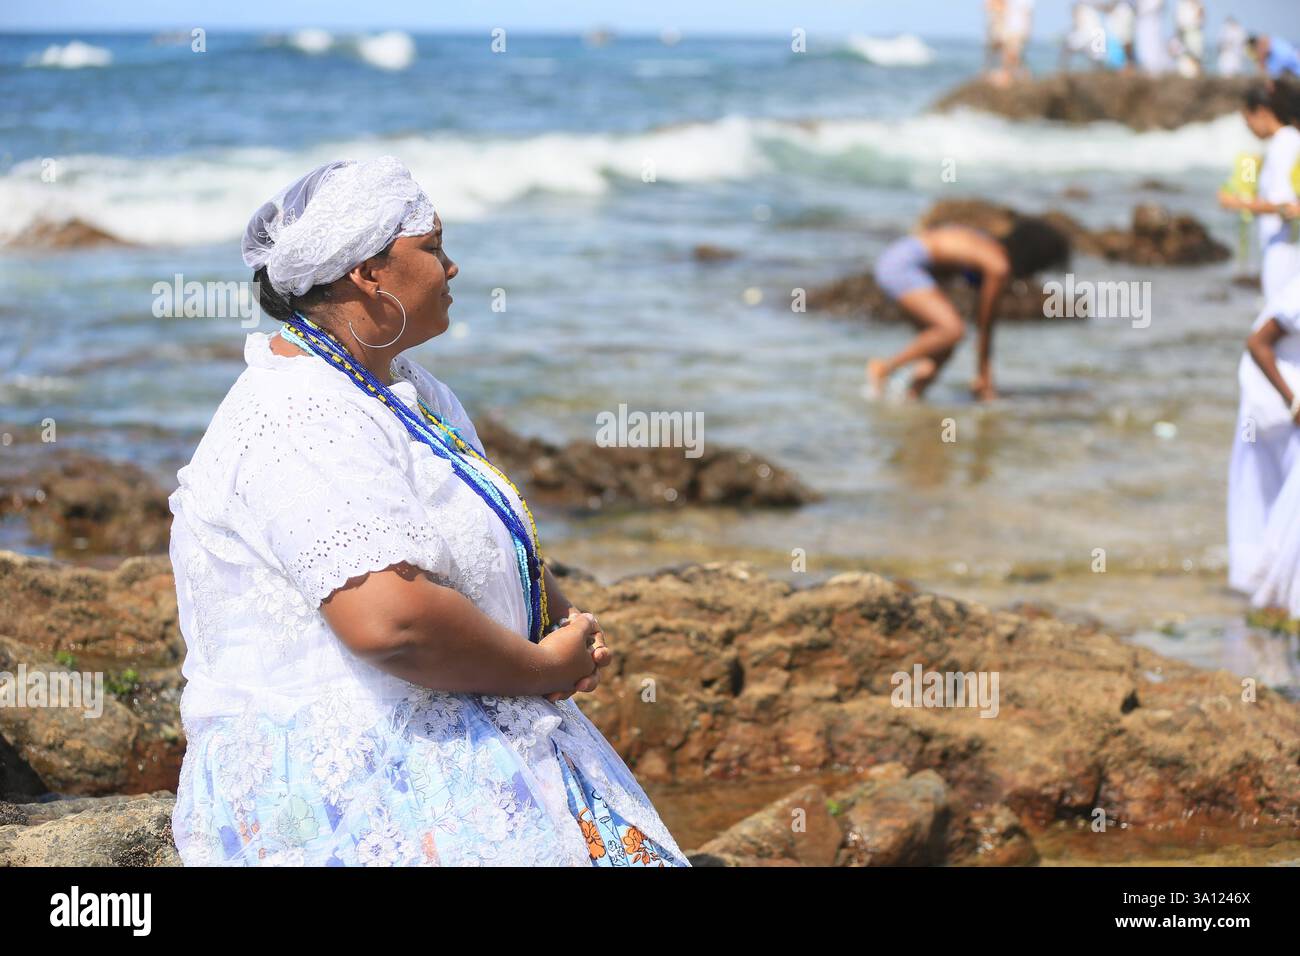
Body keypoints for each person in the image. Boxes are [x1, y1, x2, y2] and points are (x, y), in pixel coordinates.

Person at [168, 156, 690, 866]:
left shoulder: (407, 389)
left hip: (466, 716)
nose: (452, 269)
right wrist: (538, 670)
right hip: (351, 770)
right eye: (434, 247)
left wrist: (557, 621)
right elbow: (392, 623)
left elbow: (479, 535)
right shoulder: (295, 412)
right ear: (369, 273)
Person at [865, 218, 1071, 401]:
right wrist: (984, 373)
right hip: (903, 265)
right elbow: (985, 320)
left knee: (943, 347)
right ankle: (885, 367)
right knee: (952, 330)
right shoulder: (998, 265)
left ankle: (911, 398)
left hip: (901, 256)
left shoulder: (987, 245)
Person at [1229, 271, 1300, 618]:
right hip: (1275, 403)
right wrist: (1294, 401)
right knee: (1279, 501)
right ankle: (1276, 593)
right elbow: (1258, 342)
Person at [1218, 80, 1300, 301]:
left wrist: (1234, 203)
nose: (1248, 128)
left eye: (1248, 120)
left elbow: (1286, 206)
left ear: (1262, 112)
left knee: (1273, 328)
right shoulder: (1283, 143)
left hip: (1284, 251)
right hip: (1281, 248)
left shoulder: (1284, 144)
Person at [1062, 1, 1107, 70]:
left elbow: (1075, 19)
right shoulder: (1089, 6)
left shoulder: (1081, 6)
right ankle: (1100, 73)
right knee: (1097, 59)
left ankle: (1063, 70)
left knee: (1067, 50)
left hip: (1087, 33)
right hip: (1097, 34)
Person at [1134, 0, 1170, 75]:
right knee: (1144, 48)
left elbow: (1158, 5)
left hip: (1153, 26)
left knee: (1153, 48)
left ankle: (1154, 70)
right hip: (1143, 25)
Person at [1173, 0, 1204, 75]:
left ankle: (1194, 73)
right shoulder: (1182, 4)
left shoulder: (1198, 3)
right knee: (1184, 55)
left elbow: (1201, 16)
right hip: (1183, 32)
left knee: (1195, 53)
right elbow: (1178, 19)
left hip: (1194, 31)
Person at [1105, 0, 1137, 70]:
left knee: (1126, 40)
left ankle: (1130, 65)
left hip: (1125, 10)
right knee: (1122, 40)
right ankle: (1127, 65)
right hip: (1122, 10)